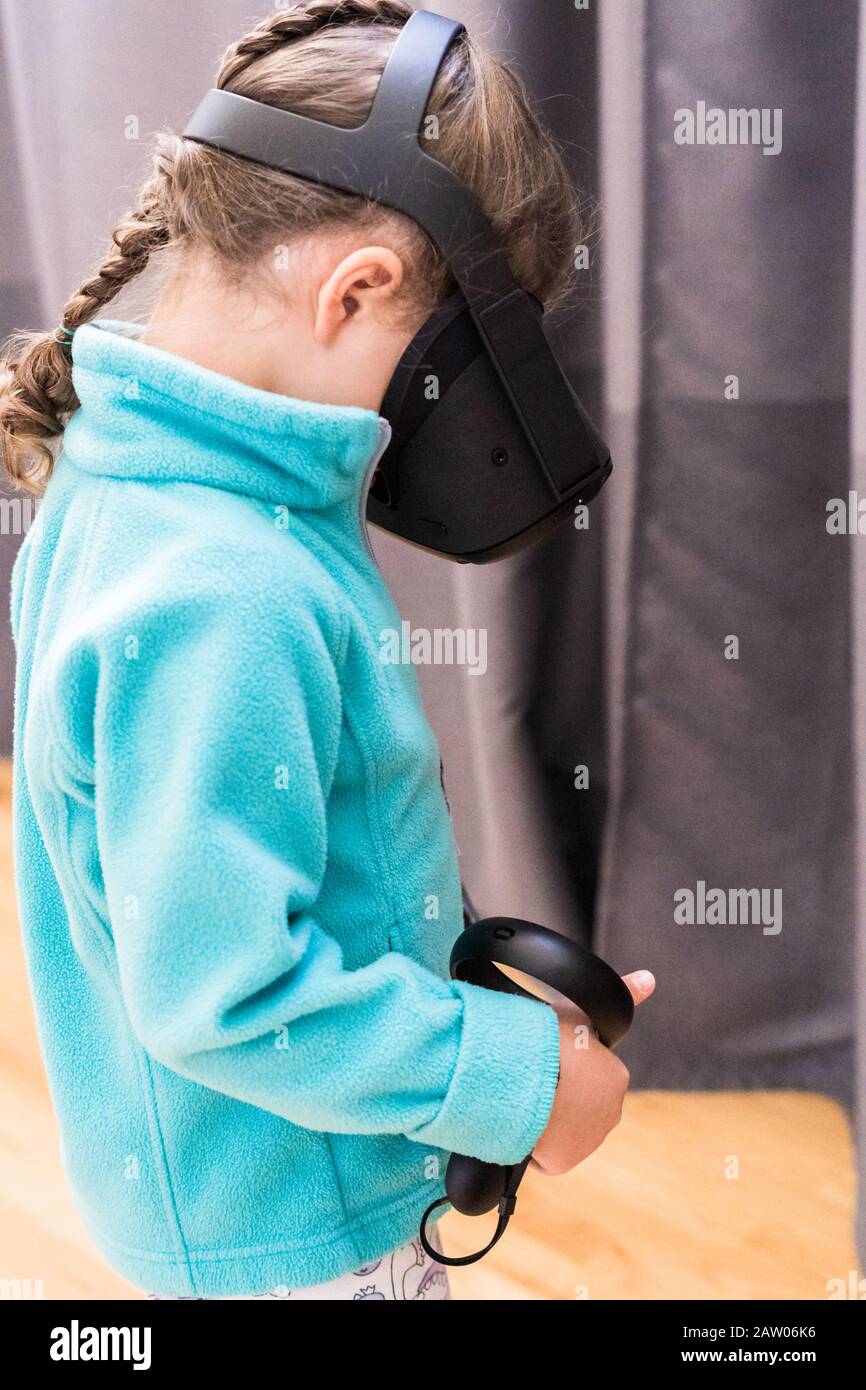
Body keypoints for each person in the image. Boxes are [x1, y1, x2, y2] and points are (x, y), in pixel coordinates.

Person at [0, 0, 655, 1300]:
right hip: (297, 1239)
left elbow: (263, 863)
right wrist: (524, 1085)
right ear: (354, 290)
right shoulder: (214, 584)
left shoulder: (161, 484)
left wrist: (473, 1012)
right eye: (448, 369)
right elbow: (225, 988)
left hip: (264, 1185)